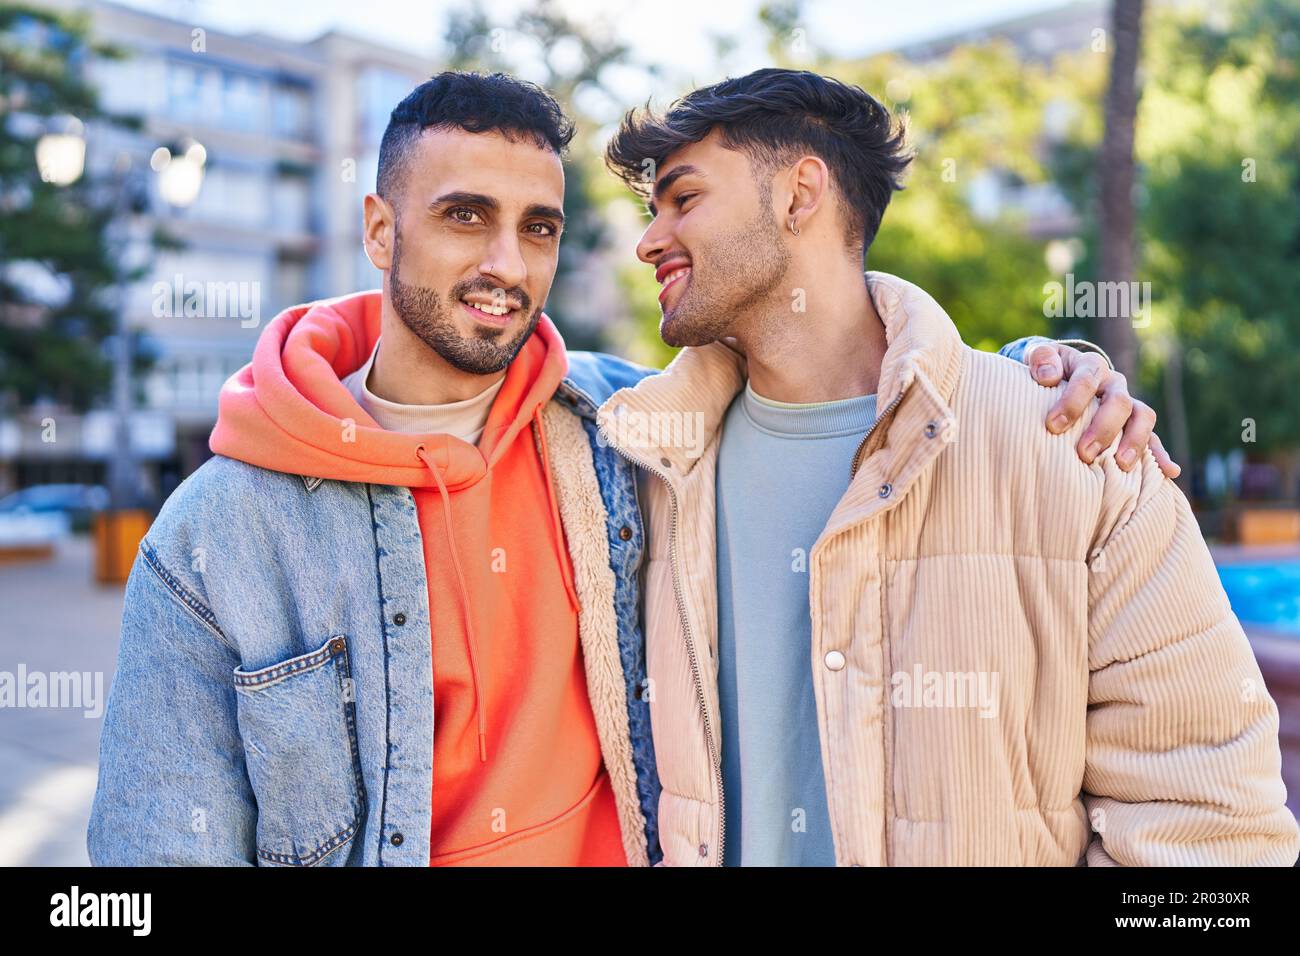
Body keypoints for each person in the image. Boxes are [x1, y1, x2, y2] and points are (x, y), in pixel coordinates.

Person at [87, 71, 1167, 867]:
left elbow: (871, 377)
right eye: (465, 216)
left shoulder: (619, 426)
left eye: (539, 227)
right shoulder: (214, 536)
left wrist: (1043, 368)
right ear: (379, 228)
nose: (507, 265)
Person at [598, 67, 1300, 866]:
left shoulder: (1077, 448)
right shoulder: (646, 466)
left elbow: (1215, 834)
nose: (650, 241)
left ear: (799, 196)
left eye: (684, 199)